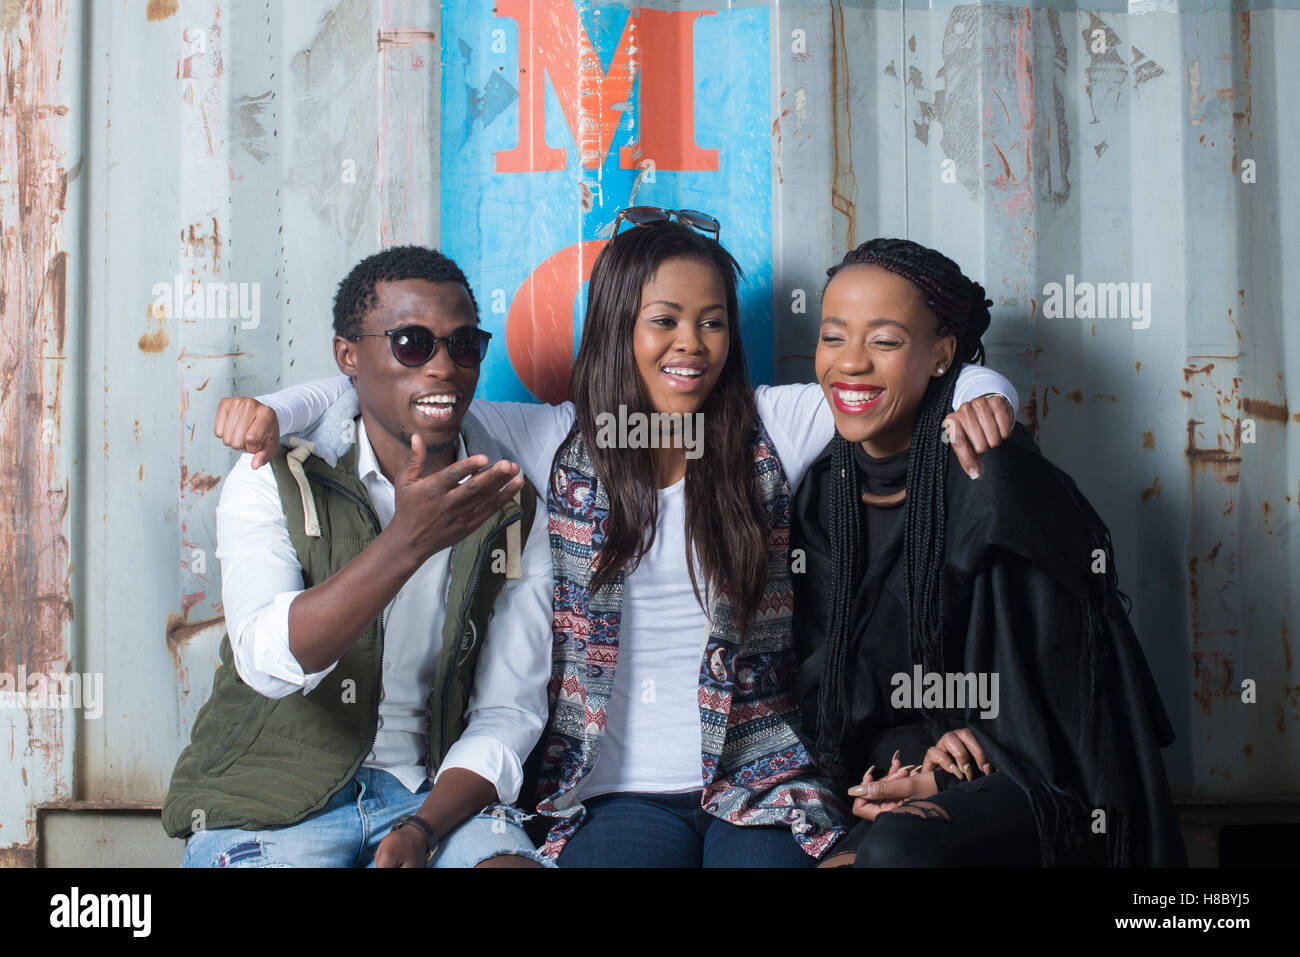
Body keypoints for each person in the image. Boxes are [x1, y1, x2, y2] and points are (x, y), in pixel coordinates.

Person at [213, 210, 1021, 866]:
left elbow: (884, 385)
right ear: (617, 326)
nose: (692, 345)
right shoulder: (552, 439)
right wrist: (279, 410)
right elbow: (411, 393)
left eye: (712, 323)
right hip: (609, 789)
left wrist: (985, 389)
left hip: (759, 774)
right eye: (664, 320)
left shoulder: (771, 425)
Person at [791, 237, 1186, 867]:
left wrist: (949, 769)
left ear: (943, 355)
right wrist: (890, 773)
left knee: (894, 852)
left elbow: (1061, 703)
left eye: (886, 341)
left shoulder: (992, 481)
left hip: (1027, 772)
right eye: (833, 337)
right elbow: (831, 694)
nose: (851, 364)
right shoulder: (819, 494)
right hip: (891, 768)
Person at [163, 246, 555, 868]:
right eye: (411, 343)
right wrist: (408, 541)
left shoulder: (509, 503)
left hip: (433, 798)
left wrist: (425, 829)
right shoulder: (275, 477)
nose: (443, 368)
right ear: (349, 355)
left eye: (464, 346)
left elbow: (509, 709)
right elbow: (270, 661)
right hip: (278, 799)